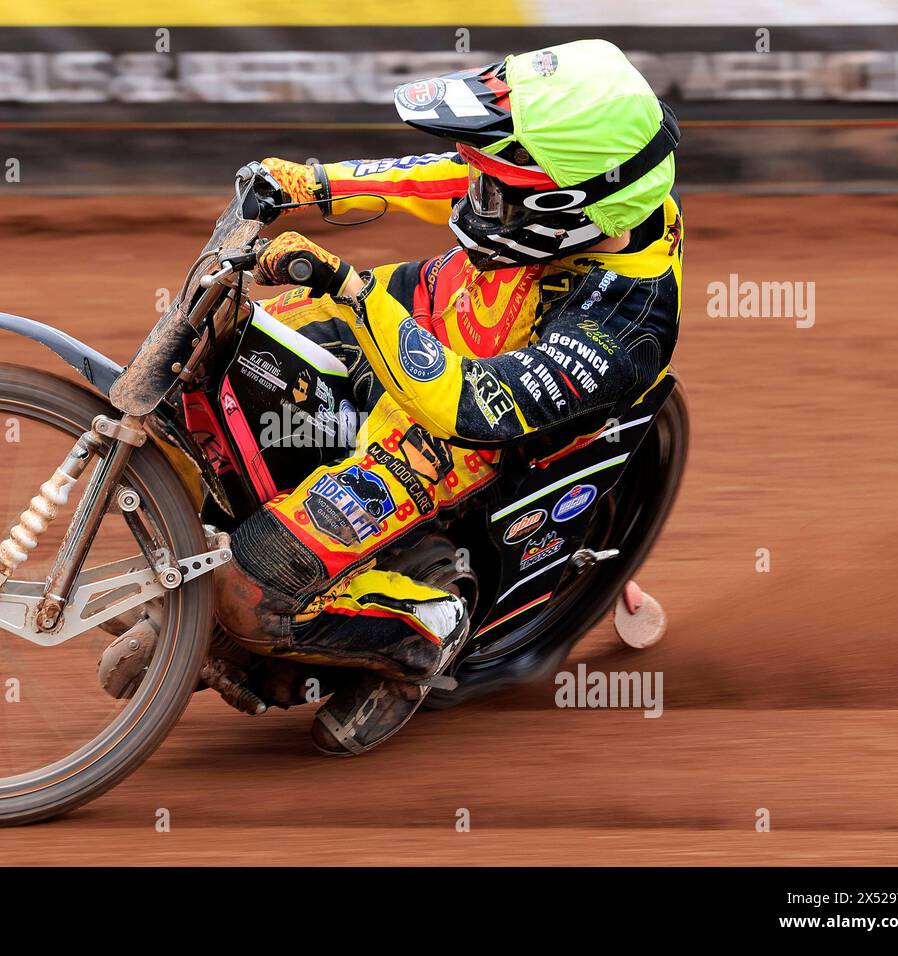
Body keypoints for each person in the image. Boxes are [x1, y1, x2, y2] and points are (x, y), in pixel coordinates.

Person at [212, 38, 684, 755]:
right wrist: (314, 185)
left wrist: (353, 291)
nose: (476, 194)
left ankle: (423, 636)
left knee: (248, 588)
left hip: (457, 432)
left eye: (498, 192)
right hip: (448, 307)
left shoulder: (625, 326)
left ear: (561, 209)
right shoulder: (584, 201)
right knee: (232, 351)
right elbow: (452, 177)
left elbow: (468, 404)